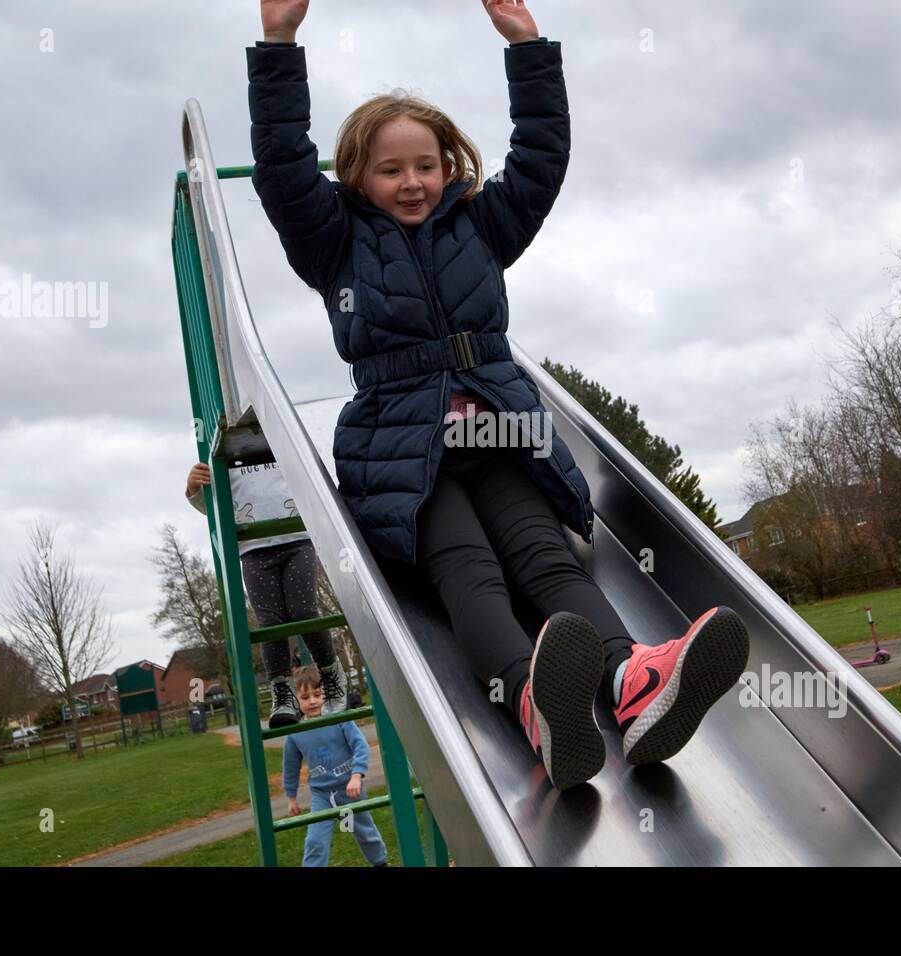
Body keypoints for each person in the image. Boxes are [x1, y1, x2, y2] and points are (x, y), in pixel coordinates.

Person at [247, 0, 750, 789]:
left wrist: (527, 47)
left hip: (497, 431)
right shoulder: (333, 241)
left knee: (546, 559)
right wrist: (280, 43)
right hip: (404, 453)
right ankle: (530, 700)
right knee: (470, 571)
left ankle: (631, 684)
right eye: (391, 169)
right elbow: (280, 167)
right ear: (355, 177)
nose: (413, 182)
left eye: (427, 165)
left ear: (449, 166)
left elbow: (542, 156)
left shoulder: (481, 227)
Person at [185, 459, 349, 726]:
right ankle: (283, 693)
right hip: (253, 547)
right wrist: (194, 488)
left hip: (296, 537)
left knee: (303, 612)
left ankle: (331, 673)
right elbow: (216, 509)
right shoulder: (226, 455)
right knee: (270, 623)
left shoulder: (279, 432)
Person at [283, 664, 388, 867]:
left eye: (317, 694)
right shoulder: (295, 733)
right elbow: (290, 766)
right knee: (315, 840)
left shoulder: (339, 719)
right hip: (322, 796)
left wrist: (356, 775)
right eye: (305, 698)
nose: (313, 701)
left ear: (326, 695)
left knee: (363, 833)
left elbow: (360, 745)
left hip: (350, 791)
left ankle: (381, 864)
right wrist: (291, 797)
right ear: (296, 700)